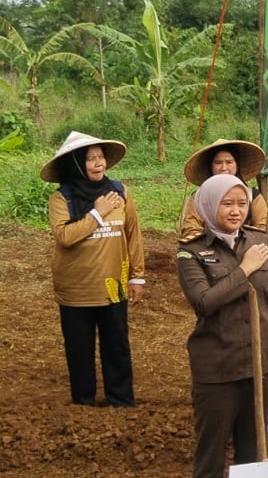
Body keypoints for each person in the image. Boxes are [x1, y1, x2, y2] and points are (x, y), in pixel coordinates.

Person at [177, 174, 268, 478]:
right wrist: (244, 269)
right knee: (211, 455)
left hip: (264, 363)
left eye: (242, 203)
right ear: (208, 205)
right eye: (227, 203)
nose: (236, 210)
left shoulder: (259, 241)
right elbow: (204, 301)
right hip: (218, 368)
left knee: (256, 451)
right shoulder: (190, 251)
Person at [43, 131, 146, 407]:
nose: (98, 163)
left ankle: (121, 399)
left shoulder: (120, 192)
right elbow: (65, 236)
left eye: (101, 157)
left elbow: (133, 233)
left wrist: (138, 276)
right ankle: (83, 400)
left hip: (114, 284)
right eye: (90, 159)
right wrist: (97, 213)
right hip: (76, 287)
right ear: (77, 163)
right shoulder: (61, 198)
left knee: (117, 345)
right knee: (79, 348)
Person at [179, 139, 268, 240]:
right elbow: (191, 229)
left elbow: (261, 229)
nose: (223, 167)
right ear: (211, 166)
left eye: (229, 162)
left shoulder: (252, 196)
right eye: (218, 163)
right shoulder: (199, 197)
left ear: (237, 165)